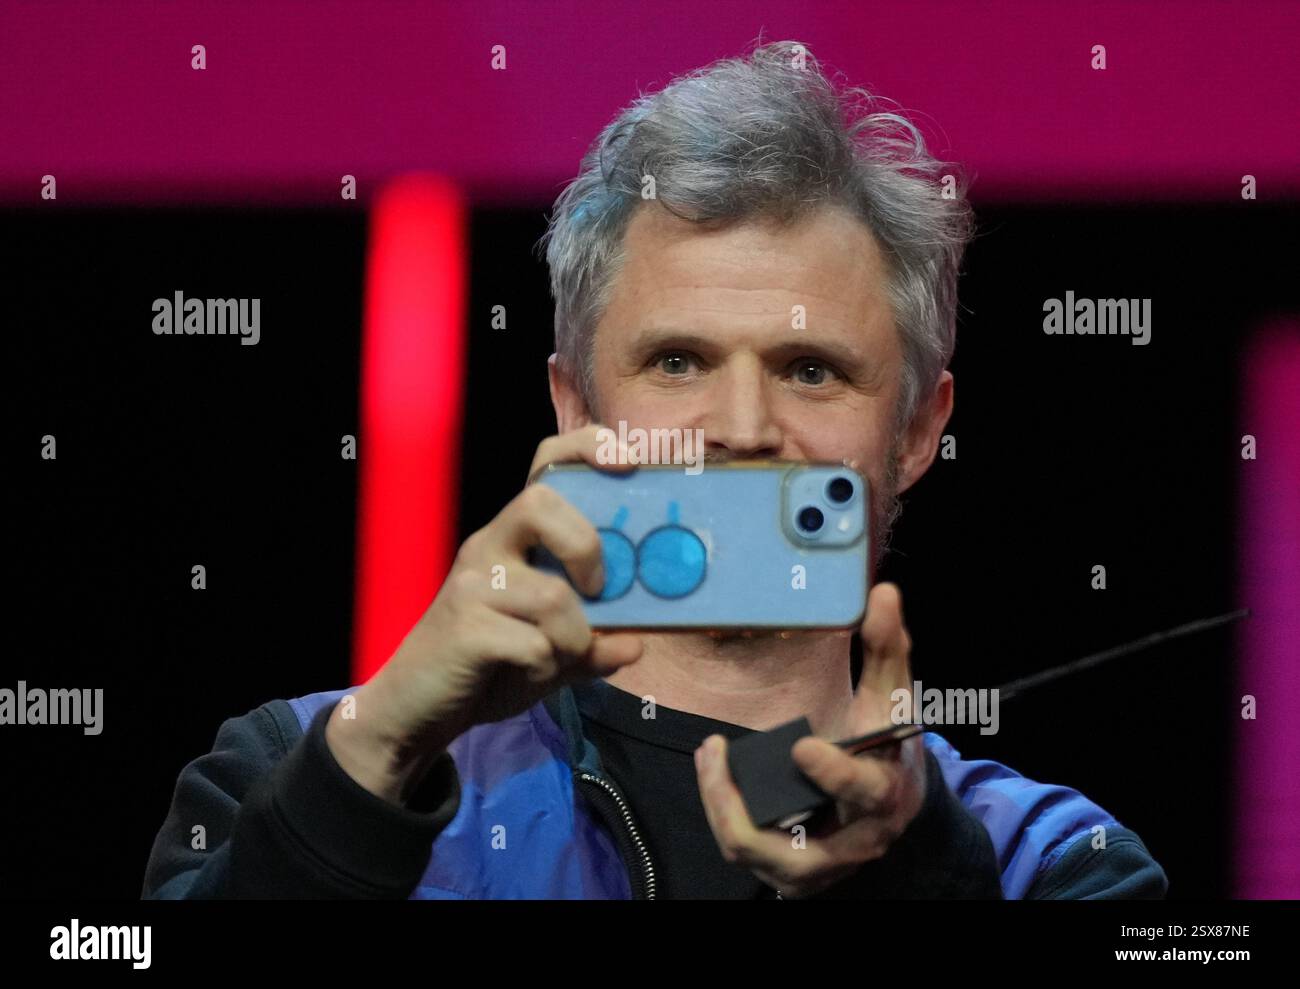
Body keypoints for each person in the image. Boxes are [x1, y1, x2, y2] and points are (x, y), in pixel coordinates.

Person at [143, 40, 1167, 900]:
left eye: (810, 369)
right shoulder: (303, 759)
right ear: (576, 404)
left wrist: (915, 869)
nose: (740, 425)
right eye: (677, 361)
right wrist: (368, 764)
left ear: (914, 432)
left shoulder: (1049, 861)